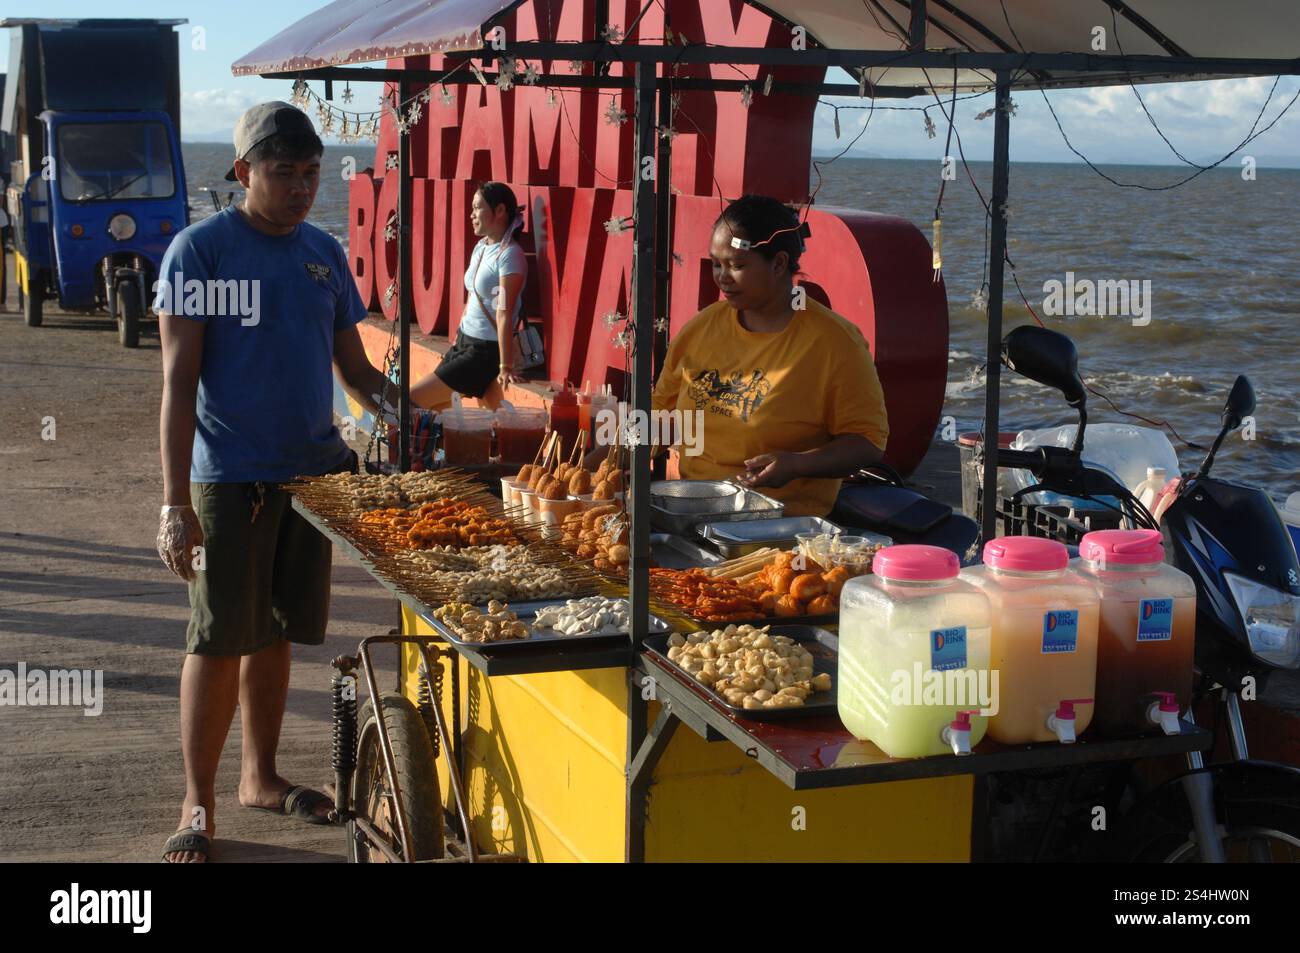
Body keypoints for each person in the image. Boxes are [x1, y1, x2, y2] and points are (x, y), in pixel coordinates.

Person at [155, 102, 402, 862]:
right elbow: (177, 382)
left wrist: (417, 416)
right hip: (230, 481)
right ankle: (197, 802)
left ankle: (259, 777)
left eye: (311, 173)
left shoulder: (323, 254)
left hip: (315, 477)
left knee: (279, 630)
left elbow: (356, 372)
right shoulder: (201, 253)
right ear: (242, 173)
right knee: (217, 638)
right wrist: (173, 503)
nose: (300, 188)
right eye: (283, 173)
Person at [651, 194, 889, 518]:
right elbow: (659, 416)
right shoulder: (700, 328)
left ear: (778, 264)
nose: (722, 277)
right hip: (691, 513)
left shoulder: (835, 342)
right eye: (716, 264)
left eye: (737, 265)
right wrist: (608, 454)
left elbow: (867, 442)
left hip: (779, 527)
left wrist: (797, 464)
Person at [409, 182, 528, 411]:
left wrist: (505, 366)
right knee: (434, 411)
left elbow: (504, 312)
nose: (471, 214)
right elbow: (472, 296)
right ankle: (463, 445)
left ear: (500, 211)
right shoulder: (481, 247)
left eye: (477, 208)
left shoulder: (510, 255)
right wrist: (458, 334)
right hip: (464, 342)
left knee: (411, 400)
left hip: (484, 352)